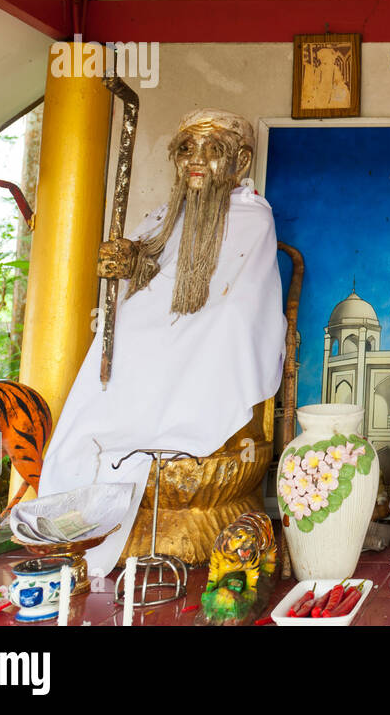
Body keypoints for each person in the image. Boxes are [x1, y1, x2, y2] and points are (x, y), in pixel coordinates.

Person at [39, 109, 285, 576]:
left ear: (242, 160)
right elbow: (148, 263)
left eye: (214, 151)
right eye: (187, 149)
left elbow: (237, 294)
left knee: (224, 323)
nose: (197, 160)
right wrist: (127, 257)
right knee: (128, 326)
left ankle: (175, 426)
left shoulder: (253, 216)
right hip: (159, 333)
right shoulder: (165, 214)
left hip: (216, 335)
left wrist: (183, 308)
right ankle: (109, 445)